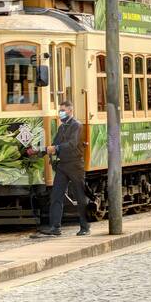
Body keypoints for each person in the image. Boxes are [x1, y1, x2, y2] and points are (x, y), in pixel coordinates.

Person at [37, 99, 90, 237]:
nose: (60, 113)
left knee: (80, 196)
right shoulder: (62, 127)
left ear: (70, 111)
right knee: (56, 195)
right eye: (59, 111)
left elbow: (72, 144)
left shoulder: (77, 125)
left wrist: (55, 148)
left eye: (63, 110)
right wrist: (41, 150)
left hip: (75, 165)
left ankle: (85, 227)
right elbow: (55, 144)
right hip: (63, 165)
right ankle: (55, 228)